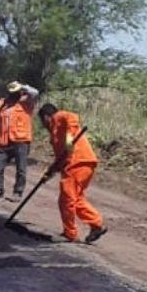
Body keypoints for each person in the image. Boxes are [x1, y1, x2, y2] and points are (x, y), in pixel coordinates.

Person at [37, 103, 108, 244]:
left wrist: (70, 137)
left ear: (46, 117)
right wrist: (49, 173)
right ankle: (96, 224)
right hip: (80, 163)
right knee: (76, 199)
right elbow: (60, 159)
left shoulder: (58, 117)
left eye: (42, 122)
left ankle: (70, 234)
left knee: (66, 199)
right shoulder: (55, 134)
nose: (43, 126)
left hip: (78, 162)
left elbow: (72, 117)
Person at [0, 81, 39, 201]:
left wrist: (23, 86)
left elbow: (35, 92)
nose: (14, 94)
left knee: (21, 169)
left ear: (20, 91)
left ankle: (18, 192)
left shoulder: (27, 102)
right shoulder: (2, 103)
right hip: (4, 141)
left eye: (16, 92)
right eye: (11, 92)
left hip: (21, 141)